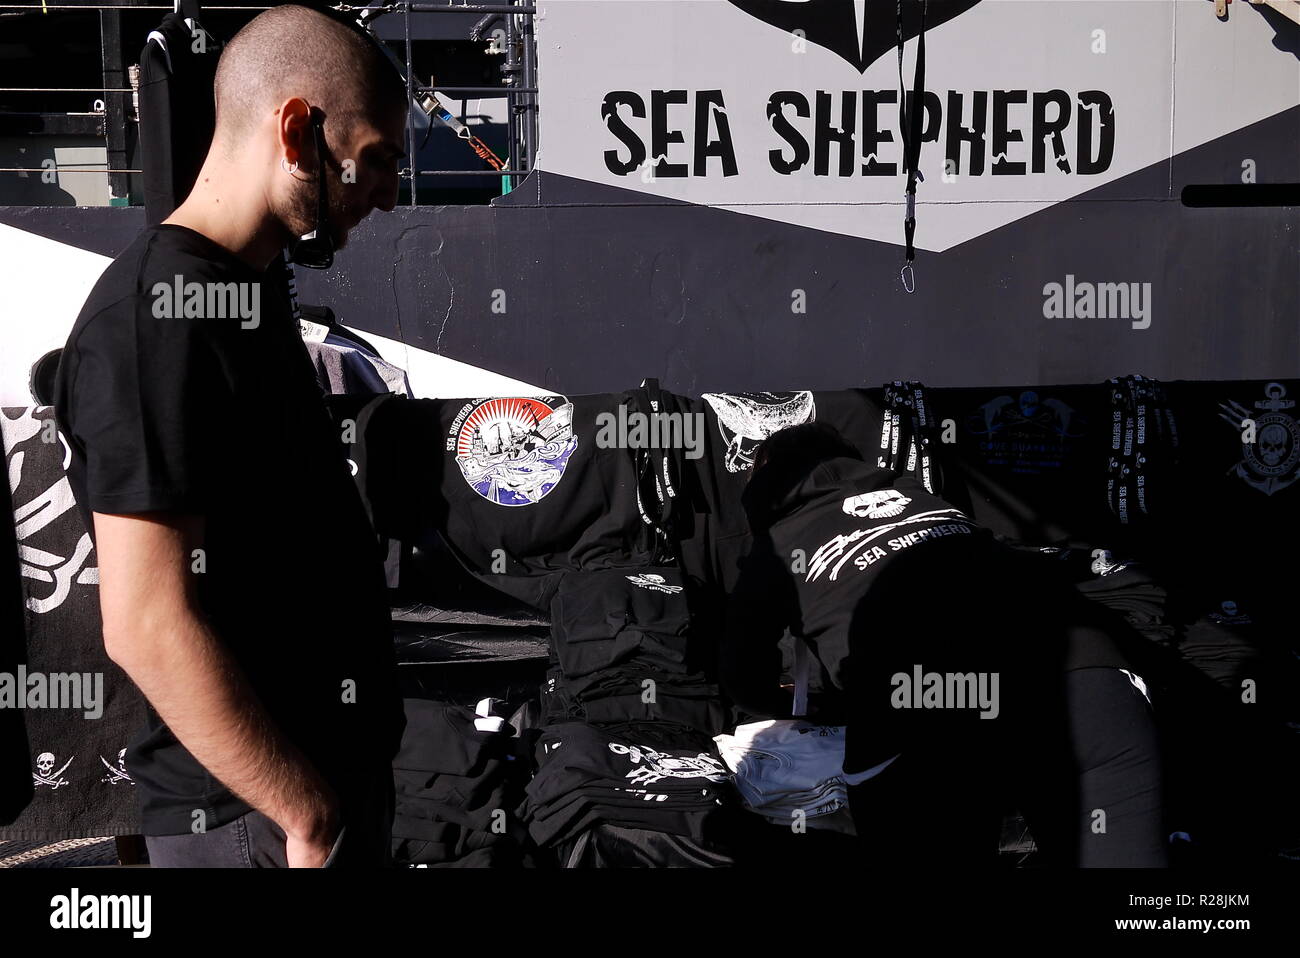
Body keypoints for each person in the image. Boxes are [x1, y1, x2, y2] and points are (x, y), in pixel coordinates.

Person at [53, 4, 410, 867]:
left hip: (304, 805)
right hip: (250, 825)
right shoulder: (158, 317)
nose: (386, 194)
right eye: (373, 161)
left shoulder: (241, 295)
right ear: (297, 131)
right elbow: (144, 620)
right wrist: (306, 817)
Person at [721, 422, 1167, 867]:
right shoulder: (928, 501)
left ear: (763, 484)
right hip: (1088, 684)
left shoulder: (778, 545)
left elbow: (744, 675)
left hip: (927, 712)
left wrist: (818, 708)